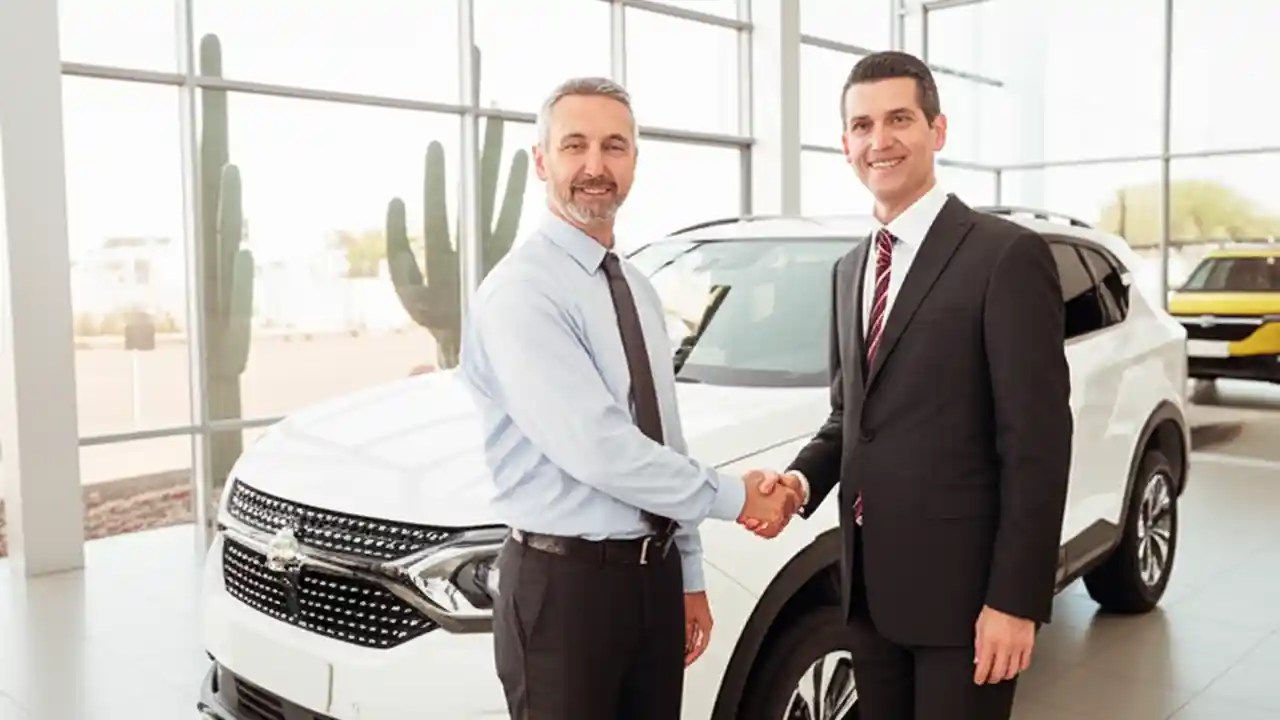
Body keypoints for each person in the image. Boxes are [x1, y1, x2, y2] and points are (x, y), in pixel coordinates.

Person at [457, 76, 801, 720]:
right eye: (575, 146)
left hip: (652, 579)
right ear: (542, 161)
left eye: (614, 146)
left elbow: (662, 436)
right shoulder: (523, 292)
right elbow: (600, 448)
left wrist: (688, 572)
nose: (596, 166)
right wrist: (738, 497)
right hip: (564, 593)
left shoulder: (636, 288)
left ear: (634, 161)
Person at [753, 51, 1073, 719]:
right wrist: (801, 482)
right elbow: (852, 416)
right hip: (871, 595)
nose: (880, 140)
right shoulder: (850, 269)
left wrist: (1015, 601)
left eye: (899, 119)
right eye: (862, 125)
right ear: (845, 144)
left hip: (966, 602)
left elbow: (1037, 445)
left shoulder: (1004, 256)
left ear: (937, 130)